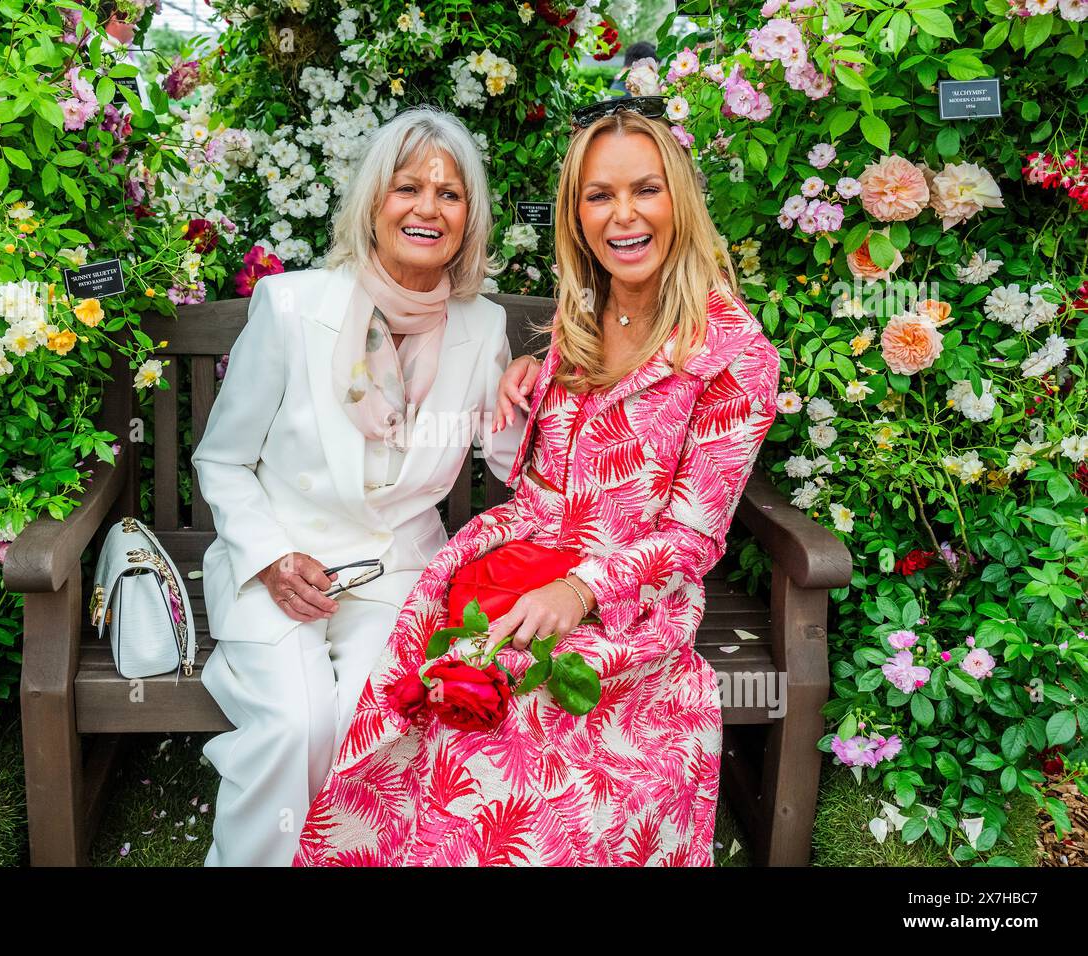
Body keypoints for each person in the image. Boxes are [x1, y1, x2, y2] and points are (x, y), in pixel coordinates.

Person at [292, 102, 781, 866]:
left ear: (679, 199)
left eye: (644, 190)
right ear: (576, 213)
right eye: (598, 195)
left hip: (624, 598)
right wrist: (530, 386)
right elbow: (536, 470)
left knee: (525, 762)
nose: (623, 216)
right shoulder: (582, 315)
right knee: (408, 711)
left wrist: (580, 592)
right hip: (513, 556)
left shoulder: (732, 353)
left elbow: (693, 535)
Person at [192, 107, 524, 867]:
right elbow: (223, 459)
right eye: (408, 187)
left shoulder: (483, 325)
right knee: (294, 723)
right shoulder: (291, 306)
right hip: (279, 567)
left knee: (361, 719)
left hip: (398, 574)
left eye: (449, 194)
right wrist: (271, 557)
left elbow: (515, 464)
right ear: (374, 201)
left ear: (469, 218)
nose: (427, 208)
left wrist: (540, 389)